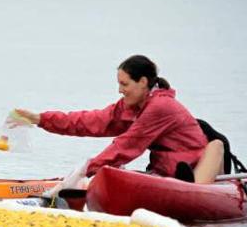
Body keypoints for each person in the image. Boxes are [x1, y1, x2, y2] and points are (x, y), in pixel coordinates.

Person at [14, 54, 224, 185]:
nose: (119, 90)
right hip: (166, 172)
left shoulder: (160, 107)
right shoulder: (131, 106)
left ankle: (191, 187)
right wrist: (41, 119)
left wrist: (84, 171)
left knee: (213, 149)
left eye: (124, 84)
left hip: (196, 168)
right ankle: (172, 183)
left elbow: (126, 146)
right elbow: (90, 121)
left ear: (142, 82)